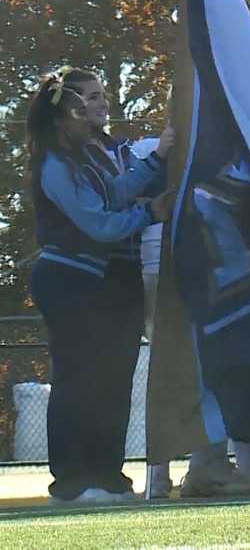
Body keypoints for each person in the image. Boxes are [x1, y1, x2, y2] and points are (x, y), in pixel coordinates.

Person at [27, 71, 174, 504]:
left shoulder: (95, 154)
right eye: (92, 97)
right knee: (79, 379)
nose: (102, 103)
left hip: (107, 281)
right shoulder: (55, 163)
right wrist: (151, 214)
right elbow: (99, 224)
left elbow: (115, 193)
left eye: (103, 94)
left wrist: (157, 160)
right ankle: (72, 481)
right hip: (71, 280)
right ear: (65, 111)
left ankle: (107, 474)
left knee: (114, 381)